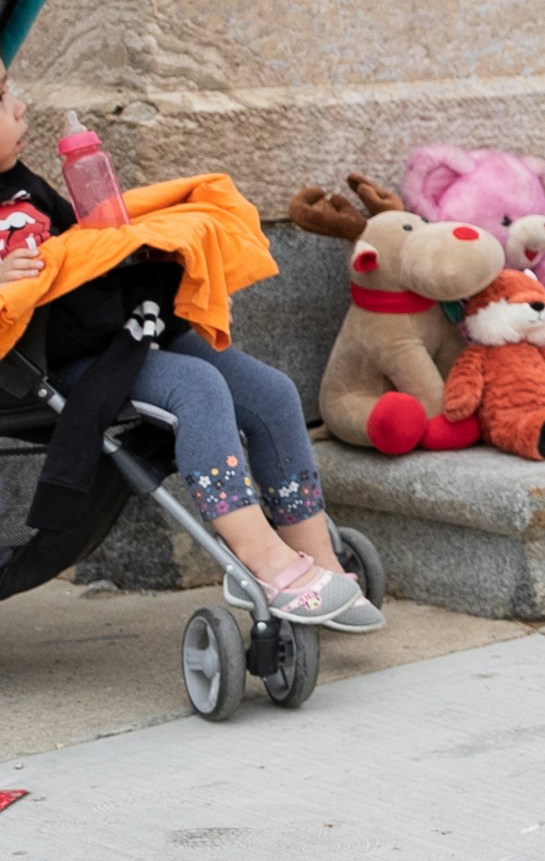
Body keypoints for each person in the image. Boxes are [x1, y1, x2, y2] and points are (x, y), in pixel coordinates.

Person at [0, 74, 376, 627]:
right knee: (194, 387)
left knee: (270, 392)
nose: (20, 105)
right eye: (2, 98)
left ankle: (316, 558)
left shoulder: (21, 183)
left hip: (114, 330)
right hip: (44, 365)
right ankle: (263, 560)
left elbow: (81, 243)